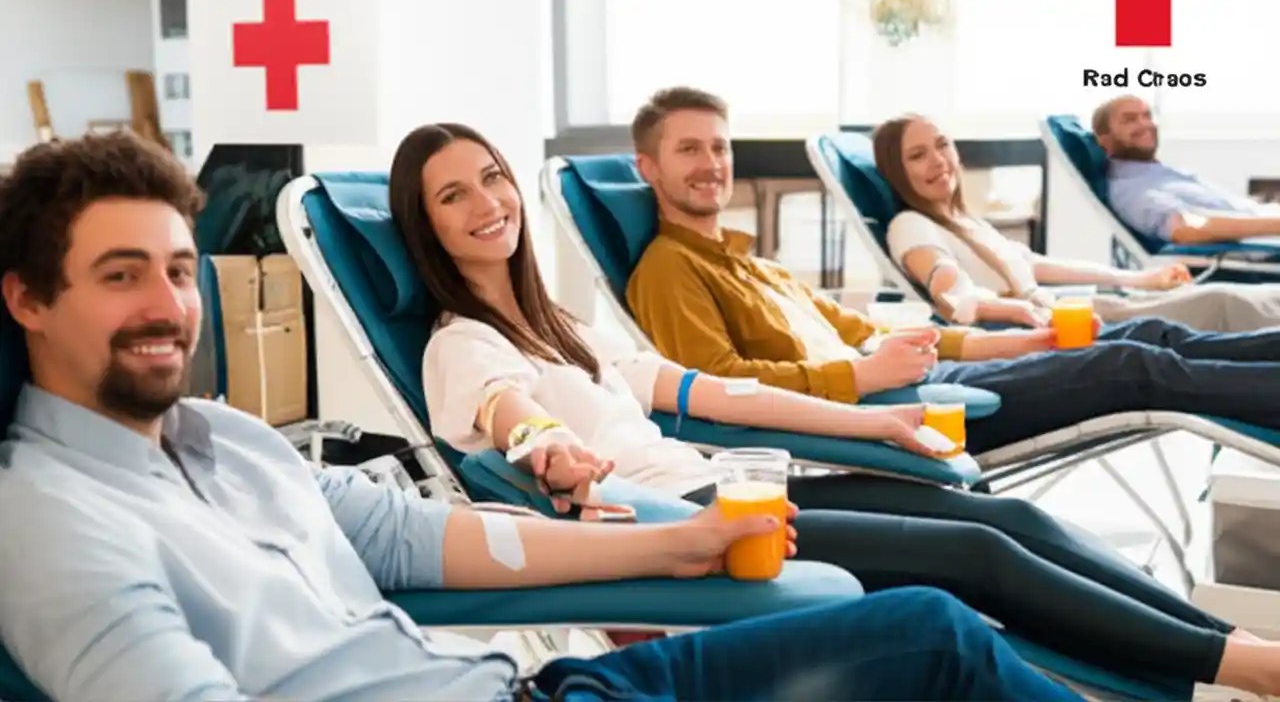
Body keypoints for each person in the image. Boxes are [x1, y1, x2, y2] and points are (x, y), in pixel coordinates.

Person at [0, 135, 1090, 702]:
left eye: (181, 272)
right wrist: (547, 448)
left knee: (928, 634)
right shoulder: (48, 520)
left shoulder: (225, 439)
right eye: (120, 275)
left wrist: (677, 545)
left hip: (531, 684)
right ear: (28, 298)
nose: (167, 307)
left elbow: (418, 536)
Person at [405, 121, 1280, 696]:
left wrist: (875, 421)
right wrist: (547, 444)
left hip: (737, 488)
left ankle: (1222, 642)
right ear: (426, 229)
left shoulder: (567, 324)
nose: (488, 204)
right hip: (693, 524)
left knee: (1006, 517)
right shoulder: (460, 345)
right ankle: (1248, 667)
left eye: (492, 178)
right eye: (454, 196)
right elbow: (511, 414)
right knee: (973, 552)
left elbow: (708, 392)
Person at [625, 85, 1280, 457]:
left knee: (1147, 339)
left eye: (718, 146)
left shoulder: (756, 264)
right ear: (647, 168)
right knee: (1131, 366)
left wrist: (1015, 342)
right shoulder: (667, 269)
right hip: (902, 410)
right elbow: (719, 384)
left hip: (927, 372)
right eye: (688, 150)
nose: (711, 163)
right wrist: (858, 374)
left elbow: (867, 322)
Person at [877, 113, 1280, 332]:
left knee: (1233, 298)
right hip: (1049, 324)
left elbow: (1036, 264)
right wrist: (1011, 311)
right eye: (917, 155)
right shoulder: (911, 226)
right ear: (898, 172)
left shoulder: (965, 222)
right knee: (1221, 303)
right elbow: (948, 288)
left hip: (1066, 308)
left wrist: (1137, 280)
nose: (938, 161)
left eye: (942, 145)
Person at [1095, 94, 1280, 245]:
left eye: (1147, 116)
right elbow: (1186, 227)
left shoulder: (1158, 173)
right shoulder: (1130, 189)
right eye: (1129, 120)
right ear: (1104, 140)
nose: (1146, 124)